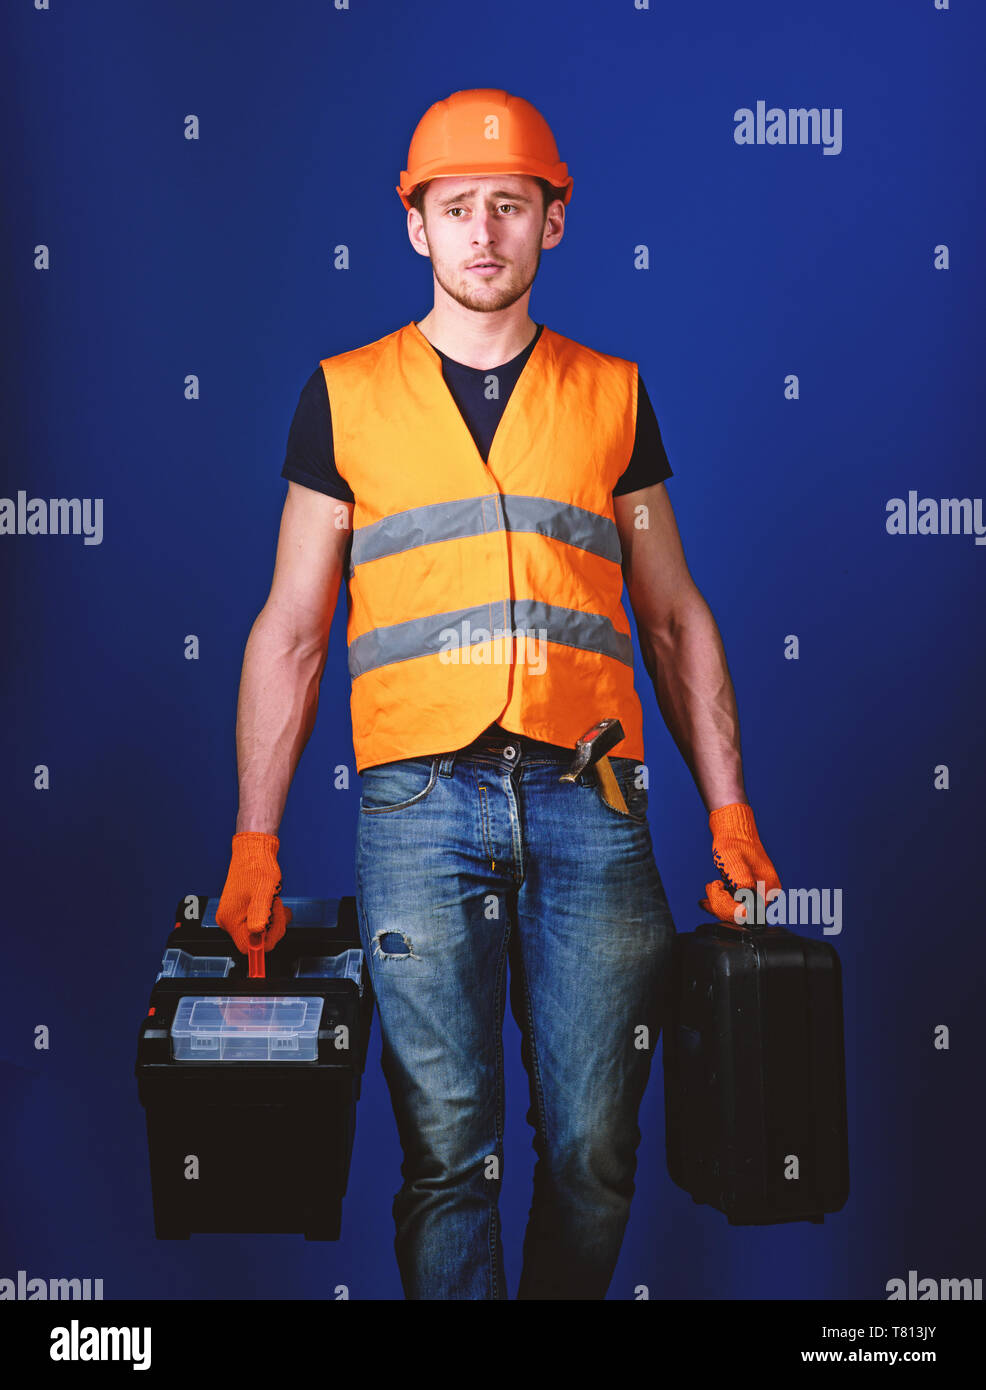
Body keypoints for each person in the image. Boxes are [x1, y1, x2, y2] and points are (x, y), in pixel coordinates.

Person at [215, 88, 782, 1300]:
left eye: (509, 206)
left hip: (592, 803)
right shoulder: (345, 396)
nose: (483, 233)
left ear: (552, 222)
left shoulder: (611, 397)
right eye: (456, 206)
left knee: (591, 1148)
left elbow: (673, 617)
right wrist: (253, 835)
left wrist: (727, 810)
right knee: (447, 1157)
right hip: (417, 809)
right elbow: (293, 627)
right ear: (414, 224)